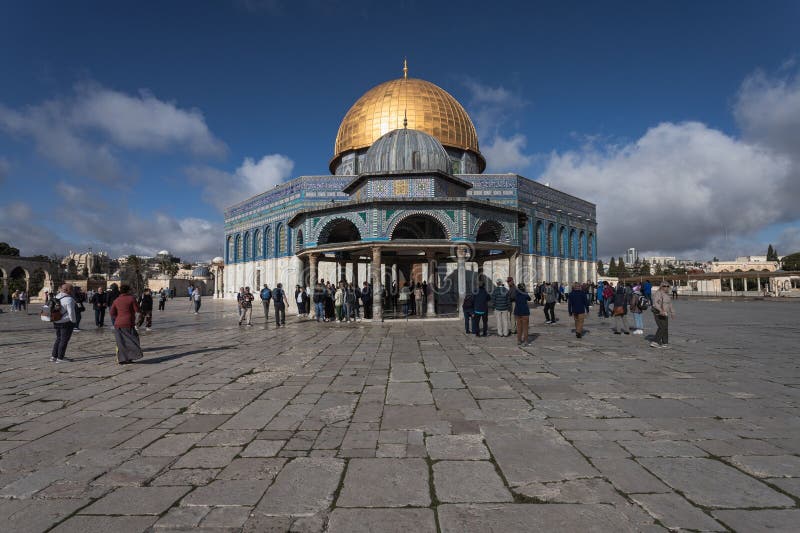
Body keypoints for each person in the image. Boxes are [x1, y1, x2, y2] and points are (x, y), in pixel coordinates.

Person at [109, 284, 143, 365]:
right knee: (133, 340)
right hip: (128, 323)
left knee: (121, 342)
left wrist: (119, 317)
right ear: (128, 290)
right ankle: (131, 357)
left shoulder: (116, 300)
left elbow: (112, 313)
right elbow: (137, 310)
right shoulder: (131, 298)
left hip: (118, 324)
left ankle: (123, 359)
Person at [50, 283, 77, 363]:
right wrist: (74, 322)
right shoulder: (69, 299)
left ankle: (54, 356)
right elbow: (71, 313)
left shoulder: (57, 296)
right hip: (66, 322)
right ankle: (60, 358)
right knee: (64, 340)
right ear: (69, 290)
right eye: (71, 289)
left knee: (58, 338)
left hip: (56, 320)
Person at [651, 281, 675, 348]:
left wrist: (672, 312)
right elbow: (655, 303)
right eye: (664, 286)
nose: (666, 287)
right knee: (662, 327)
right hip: (658, 312)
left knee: (665, 327)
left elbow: (670, 304)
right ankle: (655, 341)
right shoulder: (658, 293)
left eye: (667, 286)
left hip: (665, 313)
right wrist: (660, 310)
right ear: (661, 286)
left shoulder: (667, 294)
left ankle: (665, 342)